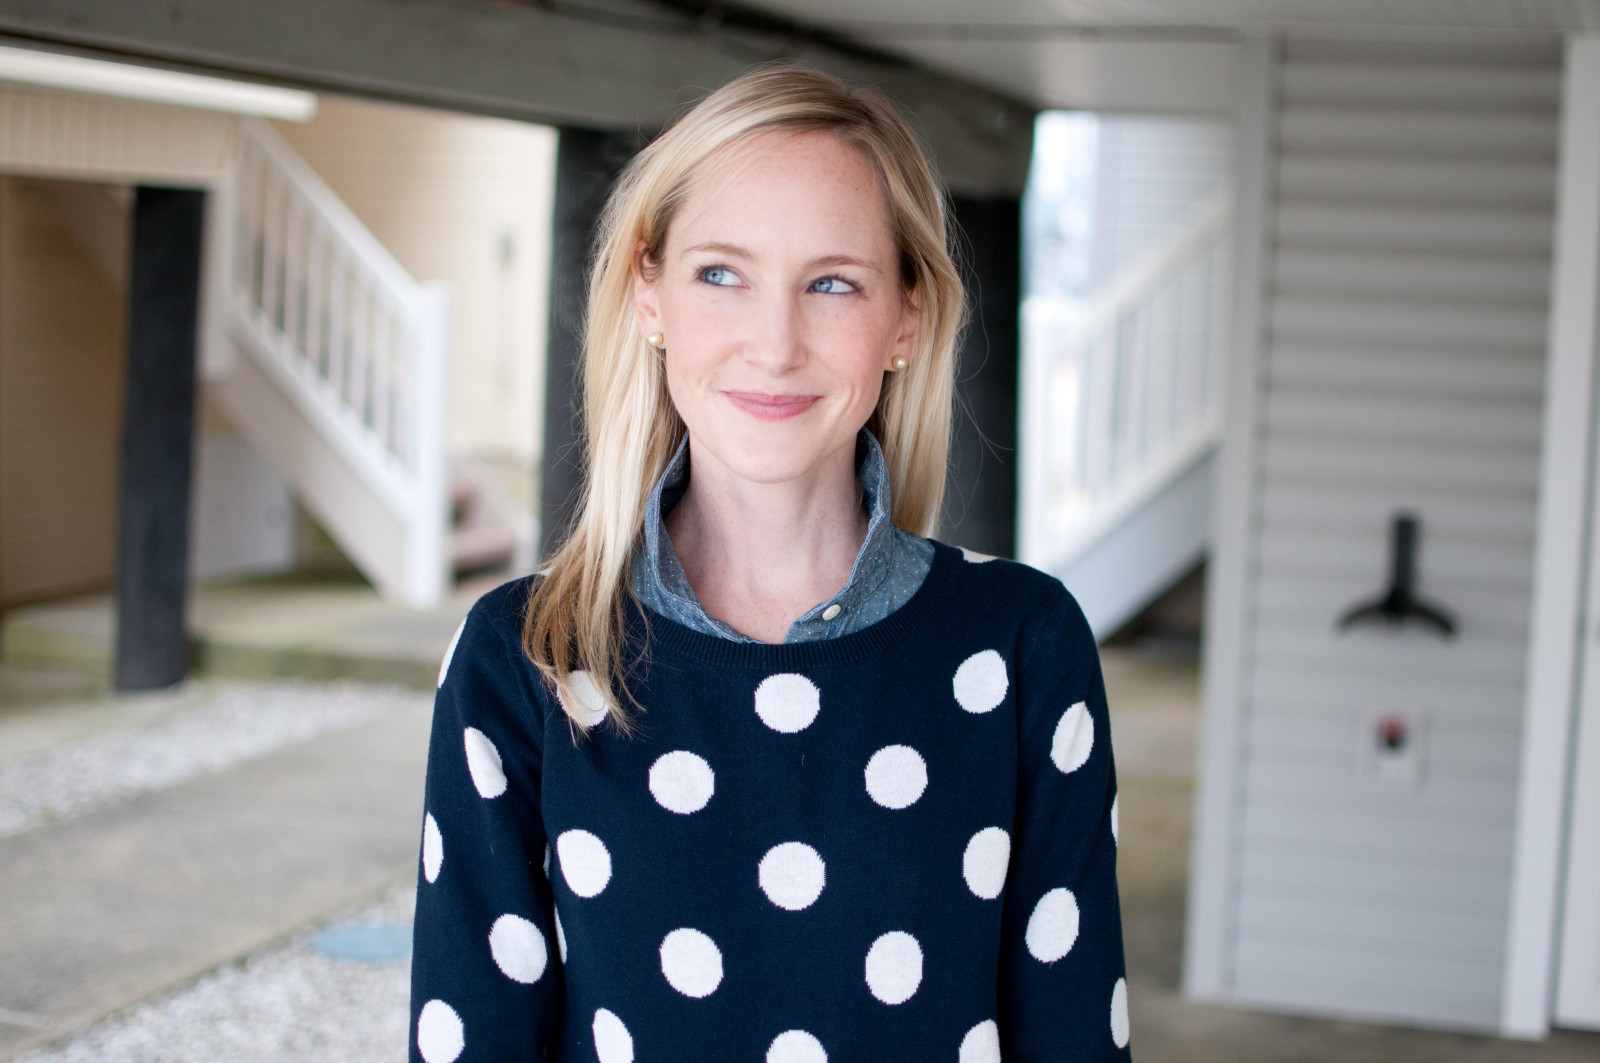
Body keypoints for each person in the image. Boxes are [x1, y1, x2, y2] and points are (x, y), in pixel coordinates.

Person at [408, 61, 1130, 1062]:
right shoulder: (525, 658)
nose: (774, 342)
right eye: (721, 274)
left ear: (906, 318)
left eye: (831, 283)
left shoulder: (1020, 646)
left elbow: (1075, 1036)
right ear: (648, 296)